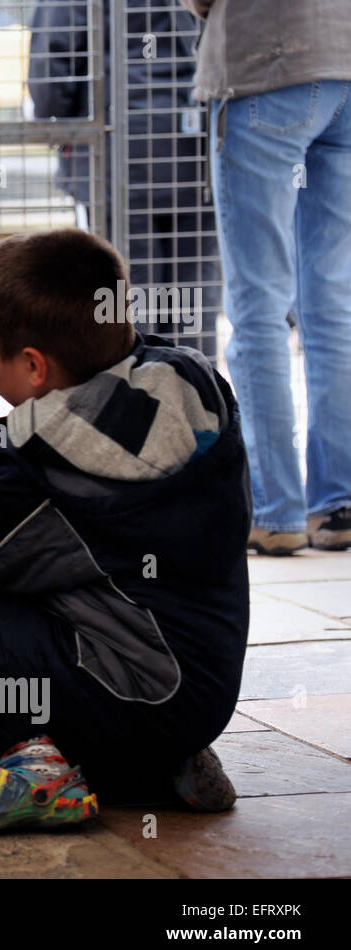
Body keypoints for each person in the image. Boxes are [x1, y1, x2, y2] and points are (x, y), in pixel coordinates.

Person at [0, 229, 248, 832]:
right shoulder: (195, 379)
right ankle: (153, 767)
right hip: (203, 689)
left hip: (128, 682)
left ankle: (41, 772)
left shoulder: (33, 455)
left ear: (34, 366)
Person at [181, 0, 351, 554]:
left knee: (259, 305)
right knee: (331, 305)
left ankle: (278, 512)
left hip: (267, 65)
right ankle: (337, 505)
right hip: (345, 69)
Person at [29, 0, 222, 363]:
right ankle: (200, 408)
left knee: (128, 299)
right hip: (196, 148)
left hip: (116, 151)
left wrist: (62, 125)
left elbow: (52, 67)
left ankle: (136, 408)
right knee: (193, 302)